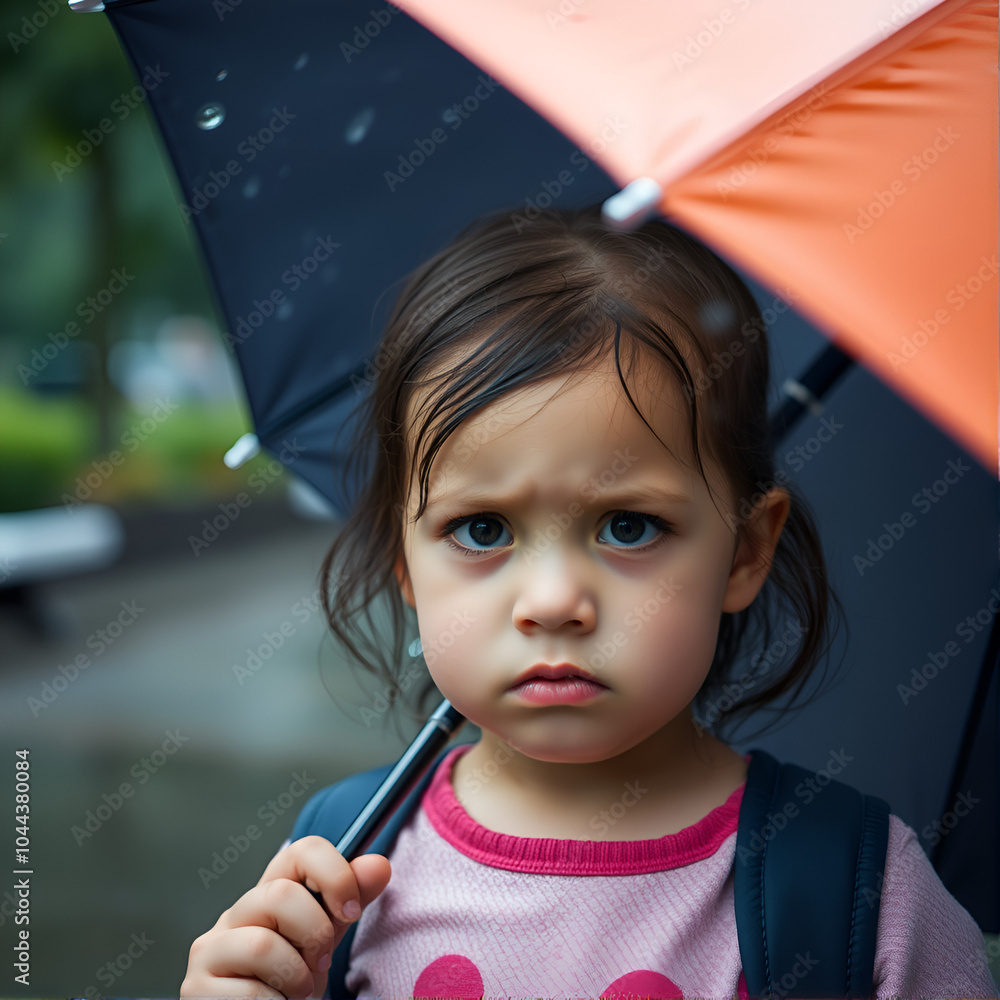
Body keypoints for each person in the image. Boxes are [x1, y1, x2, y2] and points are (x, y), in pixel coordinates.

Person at [181, 204, 998, 998]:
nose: (553, 601)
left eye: (629, 526)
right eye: (481, 529)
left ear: (746, 550)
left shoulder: (857, 896)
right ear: (405, 563)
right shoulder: (340, 868)